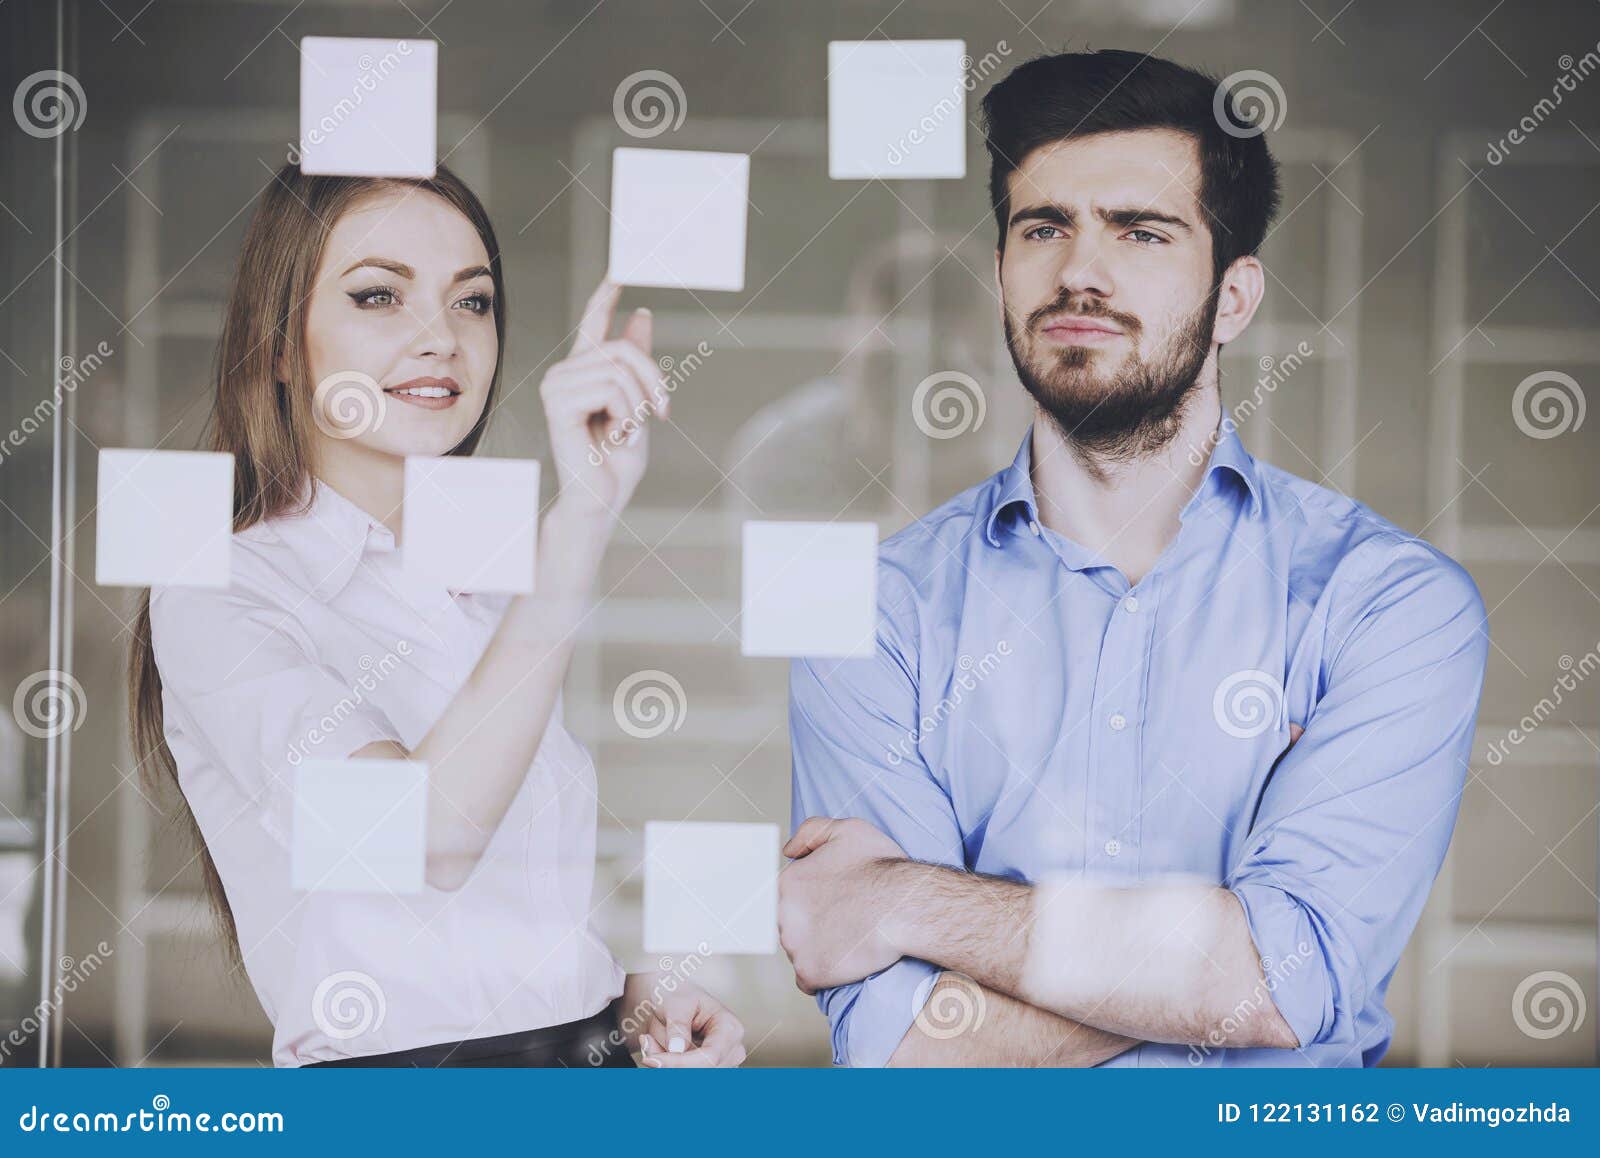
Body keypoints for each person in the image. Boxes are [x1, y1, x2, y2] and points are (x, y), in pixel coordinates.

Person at [777, 49, 1488, 1068]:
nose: (1079, 272)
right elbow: (903, 1053)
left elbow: (1288, 984)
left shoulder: (1389, 605)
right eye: (1043, 227)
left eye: (1140, 231)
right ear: (999, 271)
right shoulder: (872, 611)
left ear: (1233, 297)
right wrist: (1205, 981)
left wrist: (902, 900)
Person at [129, 164, 745, 1068]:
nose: (440, 339)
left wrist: (627, 1004)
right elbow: (422, 839)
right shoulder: (222, 591)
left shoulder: (491, 587)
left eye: (473, 302)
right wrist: (577, 520)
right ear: (278, 345)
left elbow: (493, 930)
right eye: (379, 296)